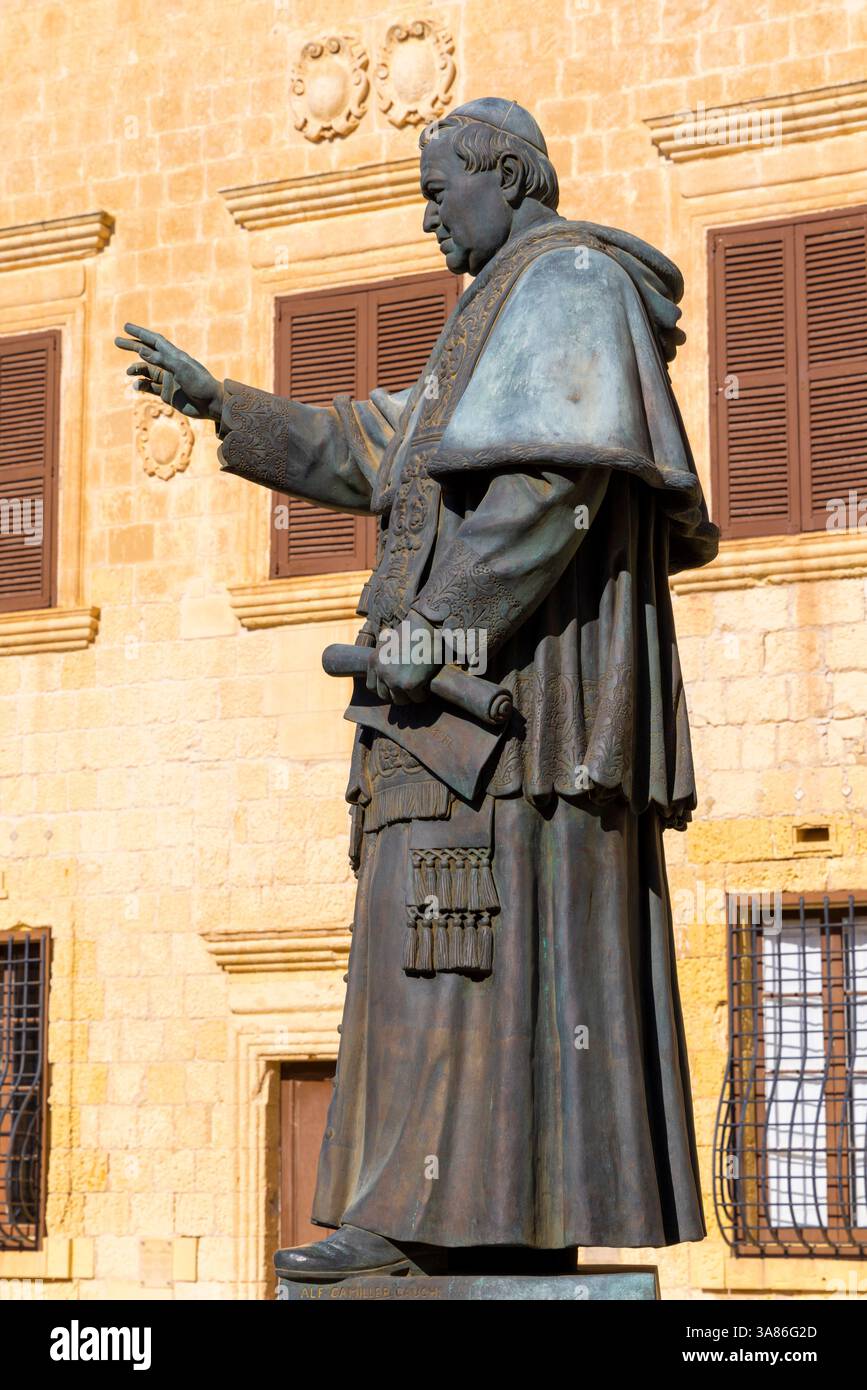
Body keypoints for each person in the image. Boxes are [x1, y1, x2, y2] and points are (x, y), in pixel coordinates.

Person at [117, 97, 718, 1279]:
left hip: (512, 723)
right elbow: (372, 444)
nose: (426, 210)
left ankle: (442, 1224)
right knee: (427, 952)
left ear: (508, 178)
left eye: (441, 188)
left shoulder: (571, 283)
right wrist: (222, 404)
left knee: (462, 952)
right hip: (449, 719)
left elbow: (551, 489)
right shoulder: (488, 314)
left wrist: (432, 638)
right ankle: (415, 1219)